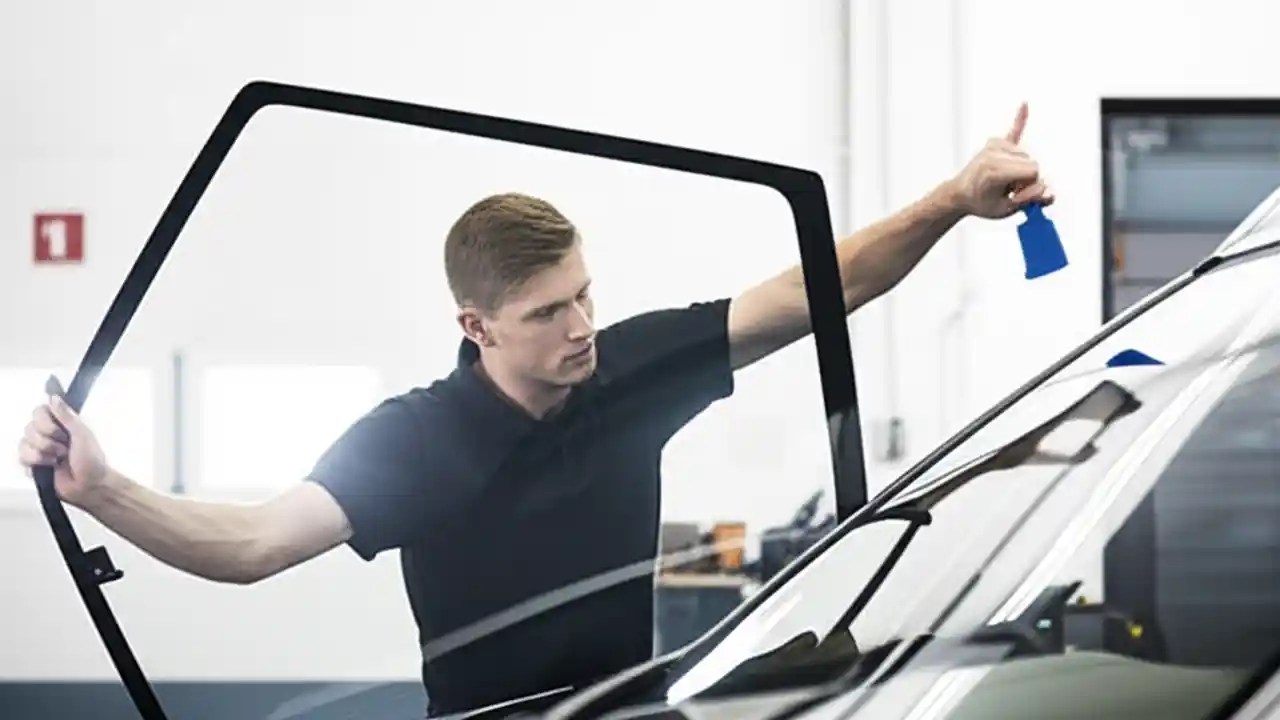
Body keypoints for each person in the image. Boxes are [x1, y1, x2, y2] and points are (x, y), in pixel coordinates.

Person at [17, 104, 1052, 715]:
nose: (580, 327)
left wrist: (949, 202)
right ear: (475, 326)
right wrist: (103, 488)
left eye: (585, 294)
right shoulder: (414, 440)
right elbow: (249, 544)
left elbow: (816, 289)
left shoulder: (628, 369)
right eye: (548, 312)